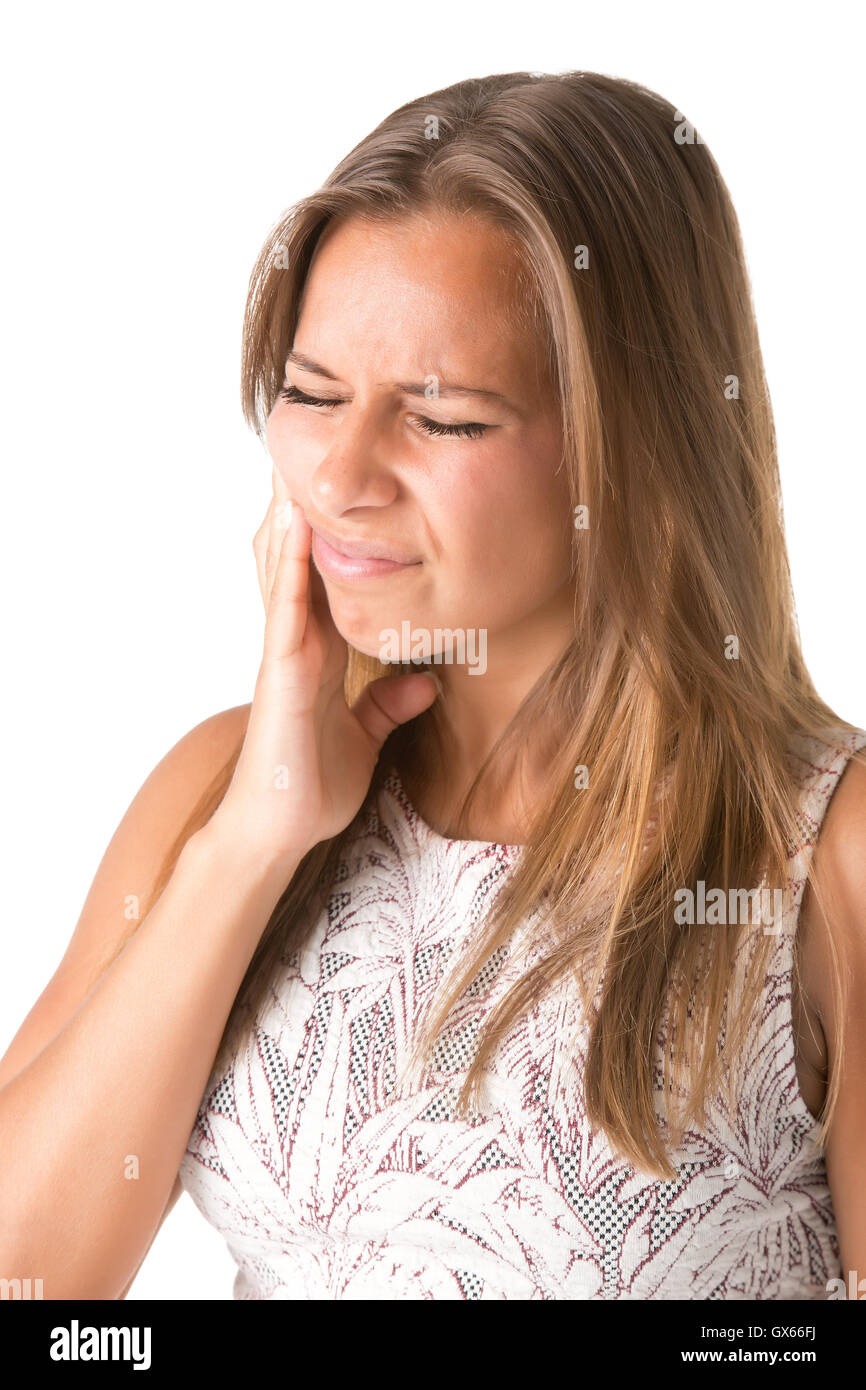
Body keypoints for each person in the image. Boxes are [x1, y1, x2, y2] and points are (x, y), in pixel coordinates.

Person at [1, 70, 864, 1301]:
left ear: (635, 446)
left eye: (442, 417)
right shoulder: (218, 790)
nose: (339, 474)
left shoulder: (823, 861)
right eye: (309, 393)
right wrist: (253, 839)